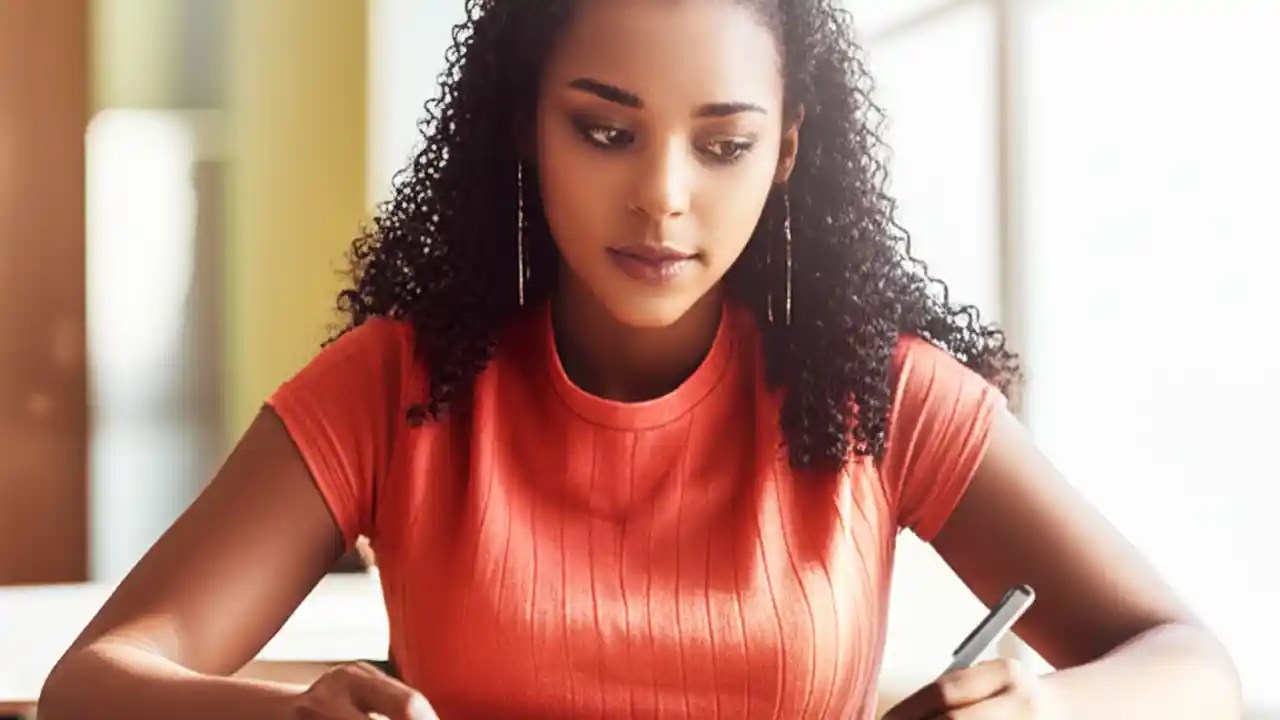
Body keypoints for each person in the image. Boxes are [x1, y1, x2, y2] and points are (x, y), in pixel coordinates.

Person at [39, 0, 1241, 718]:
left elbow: (1190, 666)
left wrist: (1052, 706)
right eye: (604, 131)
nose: (661, 199)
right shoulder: (396, 382)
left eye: (722, 145)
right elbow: (94, 684)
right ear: (524, 121)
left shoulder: (878, 394)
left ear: (785, 154)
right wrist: (281, 718)